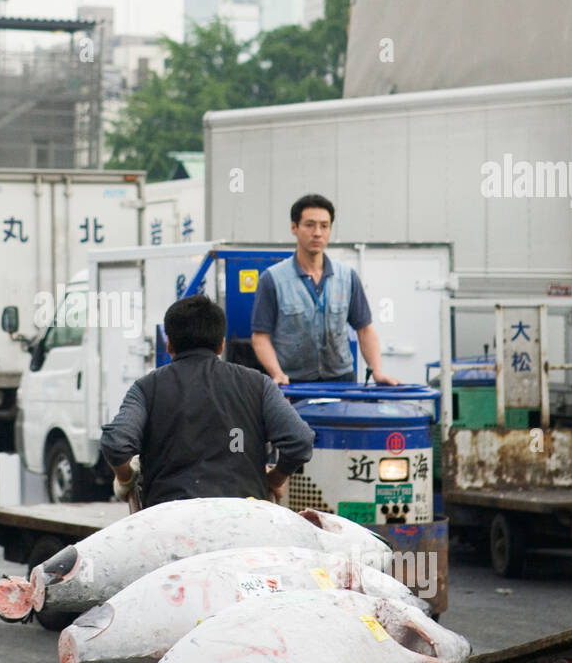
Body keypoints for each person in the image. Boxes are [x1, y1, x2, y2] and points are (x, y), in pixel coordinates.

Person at [99, 293, 315, 508]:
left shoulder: (146, 389)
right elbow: (300, 440)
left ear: (169, 345)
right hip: (245, 514)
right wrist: (276, 478)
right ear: (221, 345)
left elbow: (116, 444)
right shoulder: (258, 384)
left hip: (168, 518)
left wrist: (126, 478)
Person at [251, 193, 397, 386]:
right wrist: (276, 373)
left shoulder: (347, 277)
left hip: (341, 382)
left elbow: (365, 329)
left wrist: (377, 371)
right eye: (310, 225)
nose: (317, 233)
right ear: (294, 227)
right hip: (292, 384)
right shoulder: (273, 279)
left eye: (324, 226)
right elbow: (260, 336)